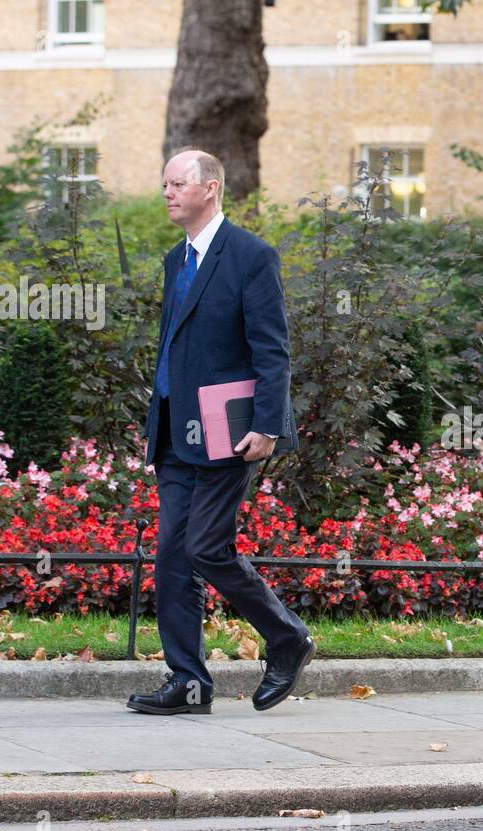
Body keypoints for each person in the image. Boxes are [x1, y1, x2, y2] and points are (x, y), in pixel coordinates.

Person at [127, 147, 314, 716]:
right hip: (174, 434)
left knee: (206, 547)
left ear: (209, 187)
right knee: (171, 559)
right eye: (164, 183)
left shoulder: (251, 256)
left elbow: (272, 347)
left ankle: (286, 637)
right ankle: (188, 681)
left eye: (177, 183)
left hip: (227, 431)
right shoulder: (174, 260)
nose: (167, 192)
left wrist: (266, 424)